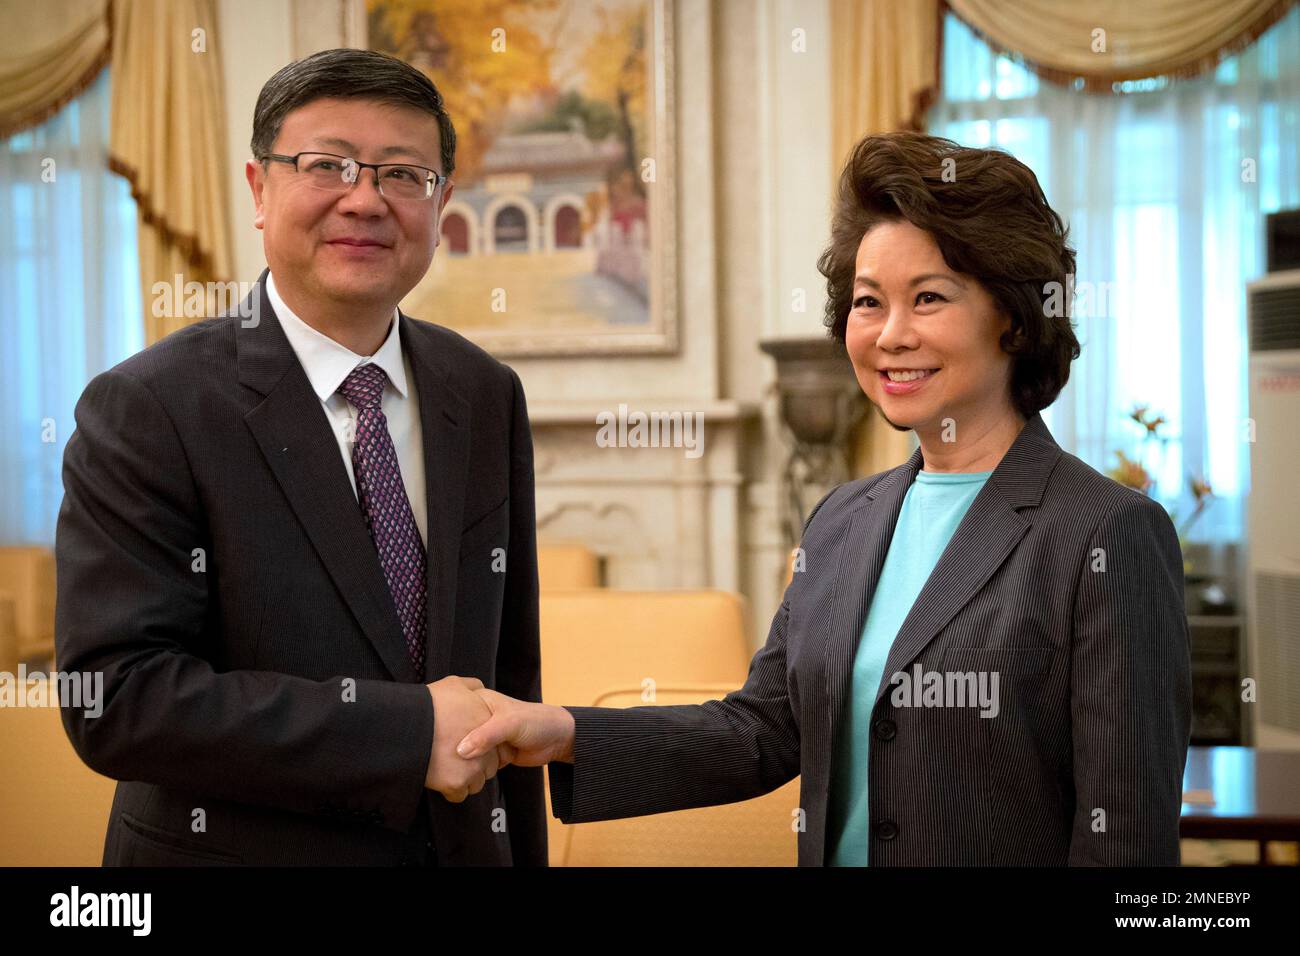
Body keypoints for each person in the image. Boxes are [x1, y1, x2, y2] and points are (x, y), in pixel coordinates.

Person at [457, 131, 1192, 866]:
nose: (891, 335)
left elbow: (1123, 841)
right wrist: (562, 730)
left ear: (1013, 315)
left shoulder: (1109, 533)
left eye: (929, 298)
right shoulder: (842, 519)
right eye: (869, 302)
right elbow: (763, 730)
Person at [54, 48, 545, 866]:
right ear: (258, 188)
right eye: (328, 166)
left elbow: (508, 682)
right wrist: (409, 732)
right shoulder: (149, 407)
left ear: (443, 202)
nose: (366, 200)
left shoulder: (484, 392)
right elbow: (116, 697)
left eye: (403, 175)